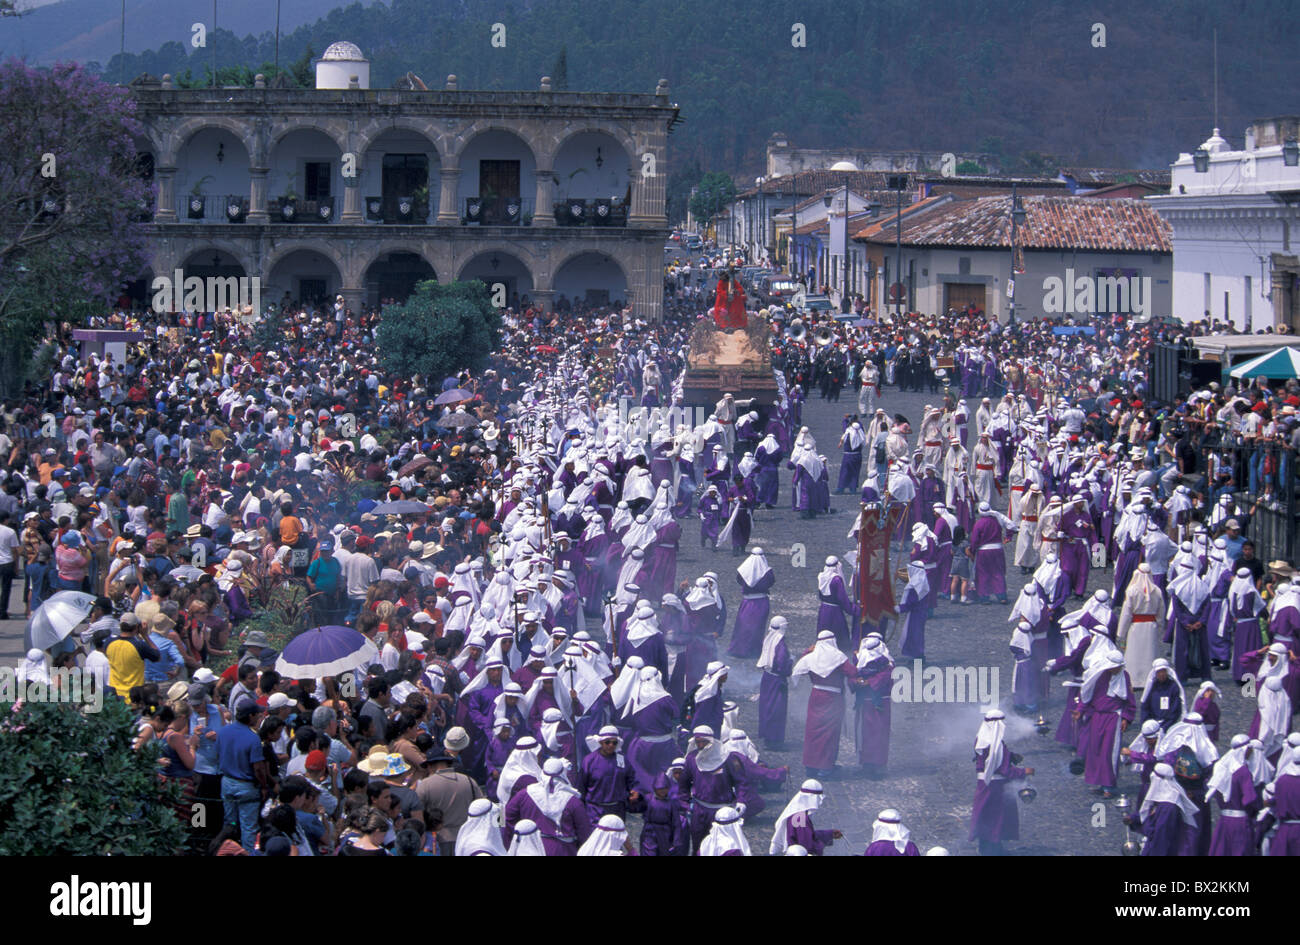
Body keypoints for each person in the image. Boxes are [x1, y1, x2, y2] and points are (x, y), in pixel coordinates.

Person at [792, 630, 859, 779]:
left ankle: (811, 766)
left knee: (813, 732)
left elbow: (801, 666)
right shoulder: (838, 657)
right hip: (833, 698)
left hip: (816, 697)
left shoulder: (811, 657)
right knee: (829, 733)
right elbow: (853, 672)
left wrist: (806, 651)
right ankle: (826, 768)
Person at [969, 709, 1032, 855]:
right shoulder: (995, 744)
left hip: (983, 785)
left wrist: (1010, 756)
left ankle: (986, 848)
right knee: (996, 819)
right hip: (995, 787)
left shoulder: (982, 738)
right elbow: (1004, 770)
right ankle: (993, 851)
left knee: (985, 817)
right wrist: (1025, 771)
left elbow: (988, 760)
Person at [769, 779, 840, 855]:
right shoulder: (800, 818)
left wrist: (829, 834)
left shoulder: (796, 811)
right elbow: (807, 845)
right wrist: (821, 845)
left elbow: (808, 835)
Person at [755, 616, 793, 750]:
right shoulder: (780, 643)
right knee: (777, 709)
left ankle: (767, 736)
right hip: (777, 680)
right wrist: (791, 664)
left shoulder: (769, 638)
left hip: (767, 678)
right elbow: (782, 665)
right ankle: (775, 739)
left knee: (766, 707)